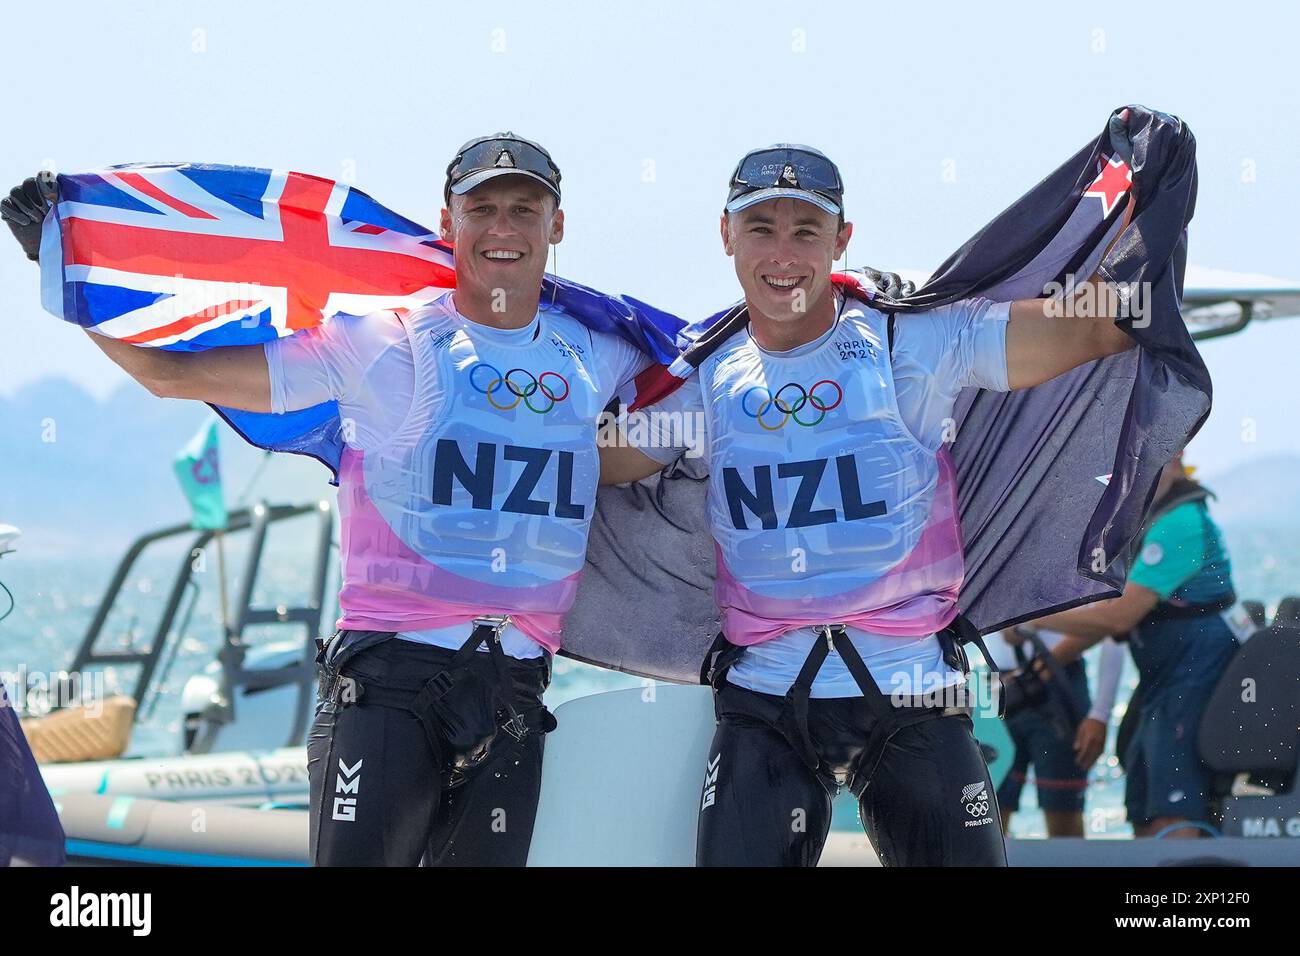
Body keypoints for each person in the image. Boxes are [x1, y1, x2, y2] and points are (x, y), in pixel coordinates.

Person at [2, 134, 661, 866]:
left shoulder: (601, 354)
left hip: (513, 692)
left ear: (556, 224)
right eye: (483, 210)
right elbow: (170, 374)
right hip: (389, 691)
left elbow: (697, 412)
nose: (503, 228)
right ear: (449, 225)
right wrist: (60, 263)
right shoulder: (387, 347)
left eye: (523, 209)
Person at [597, 135, 1140, 866]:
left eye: (806, 231)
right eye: (761, 228)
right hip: (766, 701)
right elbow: (588, 465)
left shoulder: (910, 339)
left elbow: (1093, 332)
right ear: (726, 235)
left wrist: (1143, 231)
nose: (782, 253)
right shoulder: (701, 373)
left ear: (841, 241)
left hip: (911, 694)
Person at [1029, 453, 1245, 838]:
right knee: (1143, 798)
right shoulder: (1153, 520)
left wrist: (1029, 617)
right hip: (1162, 677)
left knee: (1173, 804)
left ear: (1174, 459)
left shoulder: (1179, 522)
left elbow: (1119, 618)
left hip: (1194, 671)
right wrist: (1053, 659)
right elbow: (1110, 616)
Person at [985, 627, 1124, 837]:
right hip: (995, 685)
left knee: (1063, 816)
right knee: (986, 814)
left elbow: (1112, 628)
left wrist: (1100, 714)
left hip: (1058, 681)